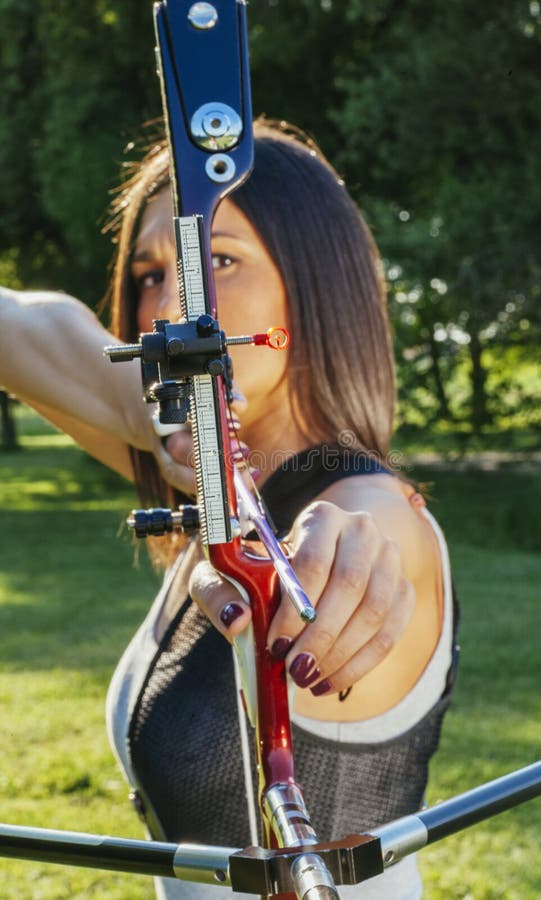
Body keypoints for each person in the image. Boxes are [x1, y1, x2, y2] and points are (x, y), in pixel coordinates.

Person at [0, 120, 458, 899]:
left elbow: (375, 527)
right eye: (150, 274)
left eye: (219, 260)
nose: (173, 302)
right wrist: (158, 416)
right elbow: (22, 331)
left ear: (313, 280)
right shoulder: (205, 481)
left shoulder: (366, 504)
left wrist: (350, 555)